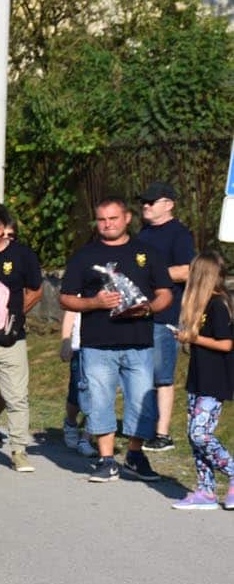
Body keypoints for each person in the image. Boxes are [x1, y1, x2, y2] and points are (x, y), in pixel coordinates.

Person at [59, 196, 173, 483]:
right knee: (99, 400)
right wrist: (95, 303)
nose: (107, 224)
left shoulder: (147, 252)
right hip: (97, 344)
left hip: (140, 341)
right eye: (102, 219)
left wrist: (147, 307)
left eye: (113, 218)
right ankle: (106, 459)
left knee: (141, 402)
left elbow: (165, 293)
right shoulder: (84, 256)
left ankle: (134, 455)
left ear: (127, 219)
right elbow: (65, 298)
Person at [0, 202, 44, 472]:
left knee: (17, 396)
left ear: (0, 230)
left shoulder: (23, 255)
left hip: (12, 340)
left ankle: (18, 450)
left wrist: (11, 316)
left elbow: (35, 290)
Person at [136, 182, 196, 452]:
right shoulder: (143, 233)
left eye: (152, 201)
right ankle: (142, 427)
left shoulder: (179, 234)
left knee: (162, 375)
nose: (145, 206)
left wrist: (153, 275)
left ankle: (163, 434)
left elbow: (186, 270)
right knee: (140, 373)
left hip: (166, 314)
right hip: (140, 313)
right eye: (144, 202)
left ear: (169, 204)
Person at [171, 252, 234, 509]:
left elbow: (226, 343)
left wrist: (192, 338)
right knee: (193, 435)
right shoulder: (202, 304)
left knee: (200, 433)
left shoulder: (218, 304)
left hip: (215, 380)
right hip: (198, 377)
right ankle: (206, 491)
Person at [60, 307, 96, 457]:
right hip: (80, 348)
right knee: (77, 393)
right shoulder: (84, 285)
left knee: (98, 394)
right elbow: (71, 312)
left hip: (104, 348)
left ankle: (86, 439)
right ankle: (70, 423)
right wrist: (66, 342)